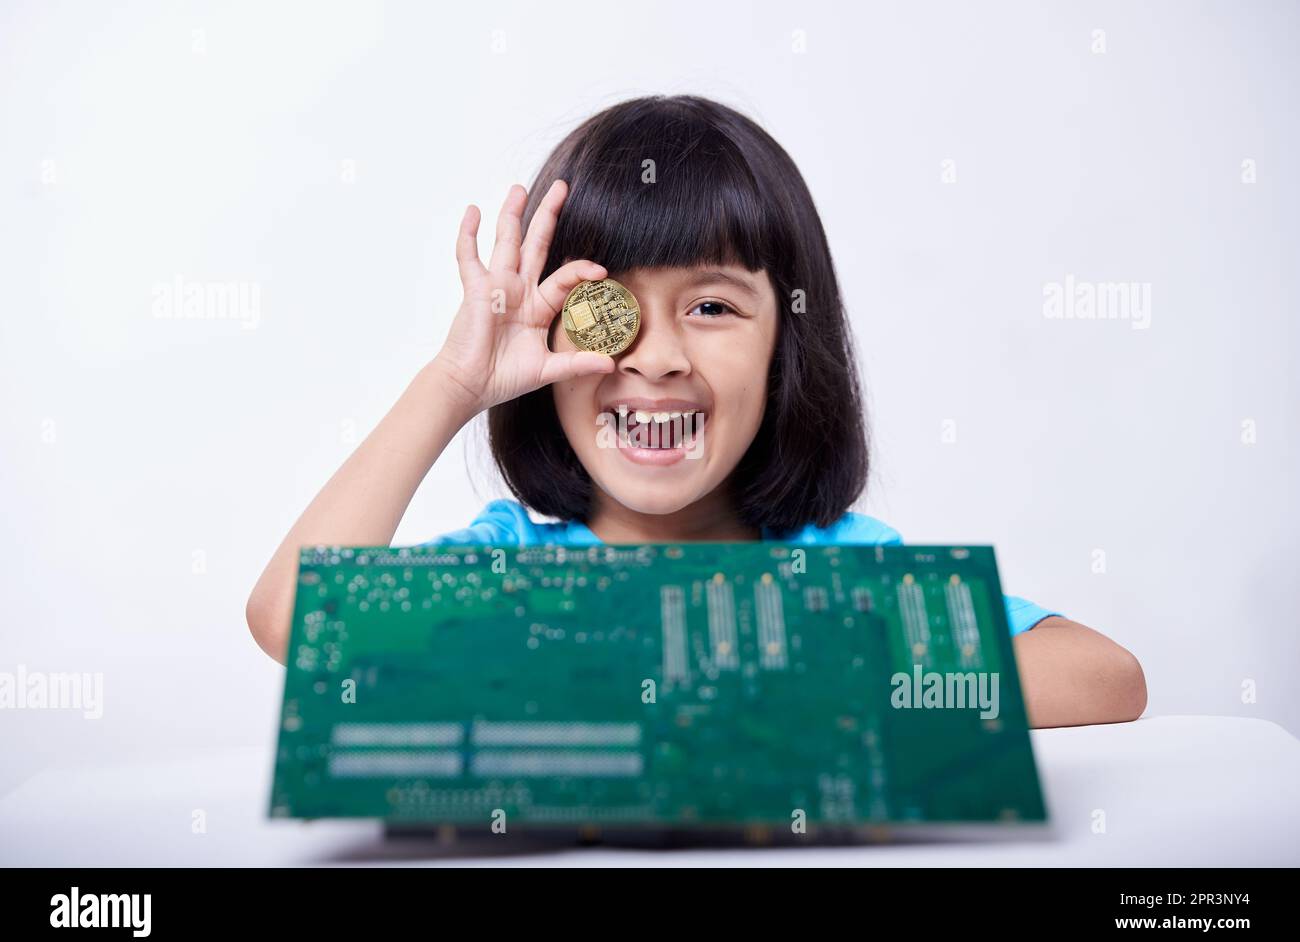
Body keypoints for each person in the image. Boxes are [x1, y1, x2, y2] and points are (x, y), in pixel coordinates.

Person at [246, 95, 1146, 728]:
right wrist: (453, 384)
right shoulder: (510, 569)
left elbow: (1107, 676)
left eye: (712, 308)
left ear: (784, 342)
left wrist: (805, 680)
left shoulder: (840, 574)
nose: (658, 356)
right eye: (612, 311)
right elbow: (291, 615)